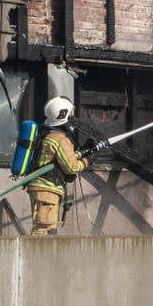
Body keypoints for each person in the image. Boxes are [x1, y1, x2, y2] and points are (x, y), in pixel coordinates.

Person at [27, 97, 99, 236]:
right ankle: (41, 257)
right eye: (70, 113)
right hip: (47, 188)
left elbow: (61, 159)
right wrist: (87, 161)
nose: (72, 116)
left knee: (40, 227)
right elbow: (71, 167)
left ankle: (38, 255)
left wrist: (81, 150)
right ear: (63, 115)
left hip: (40, 186)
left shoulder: (47, 133)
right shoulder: (60, 139)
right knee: (45, 231)